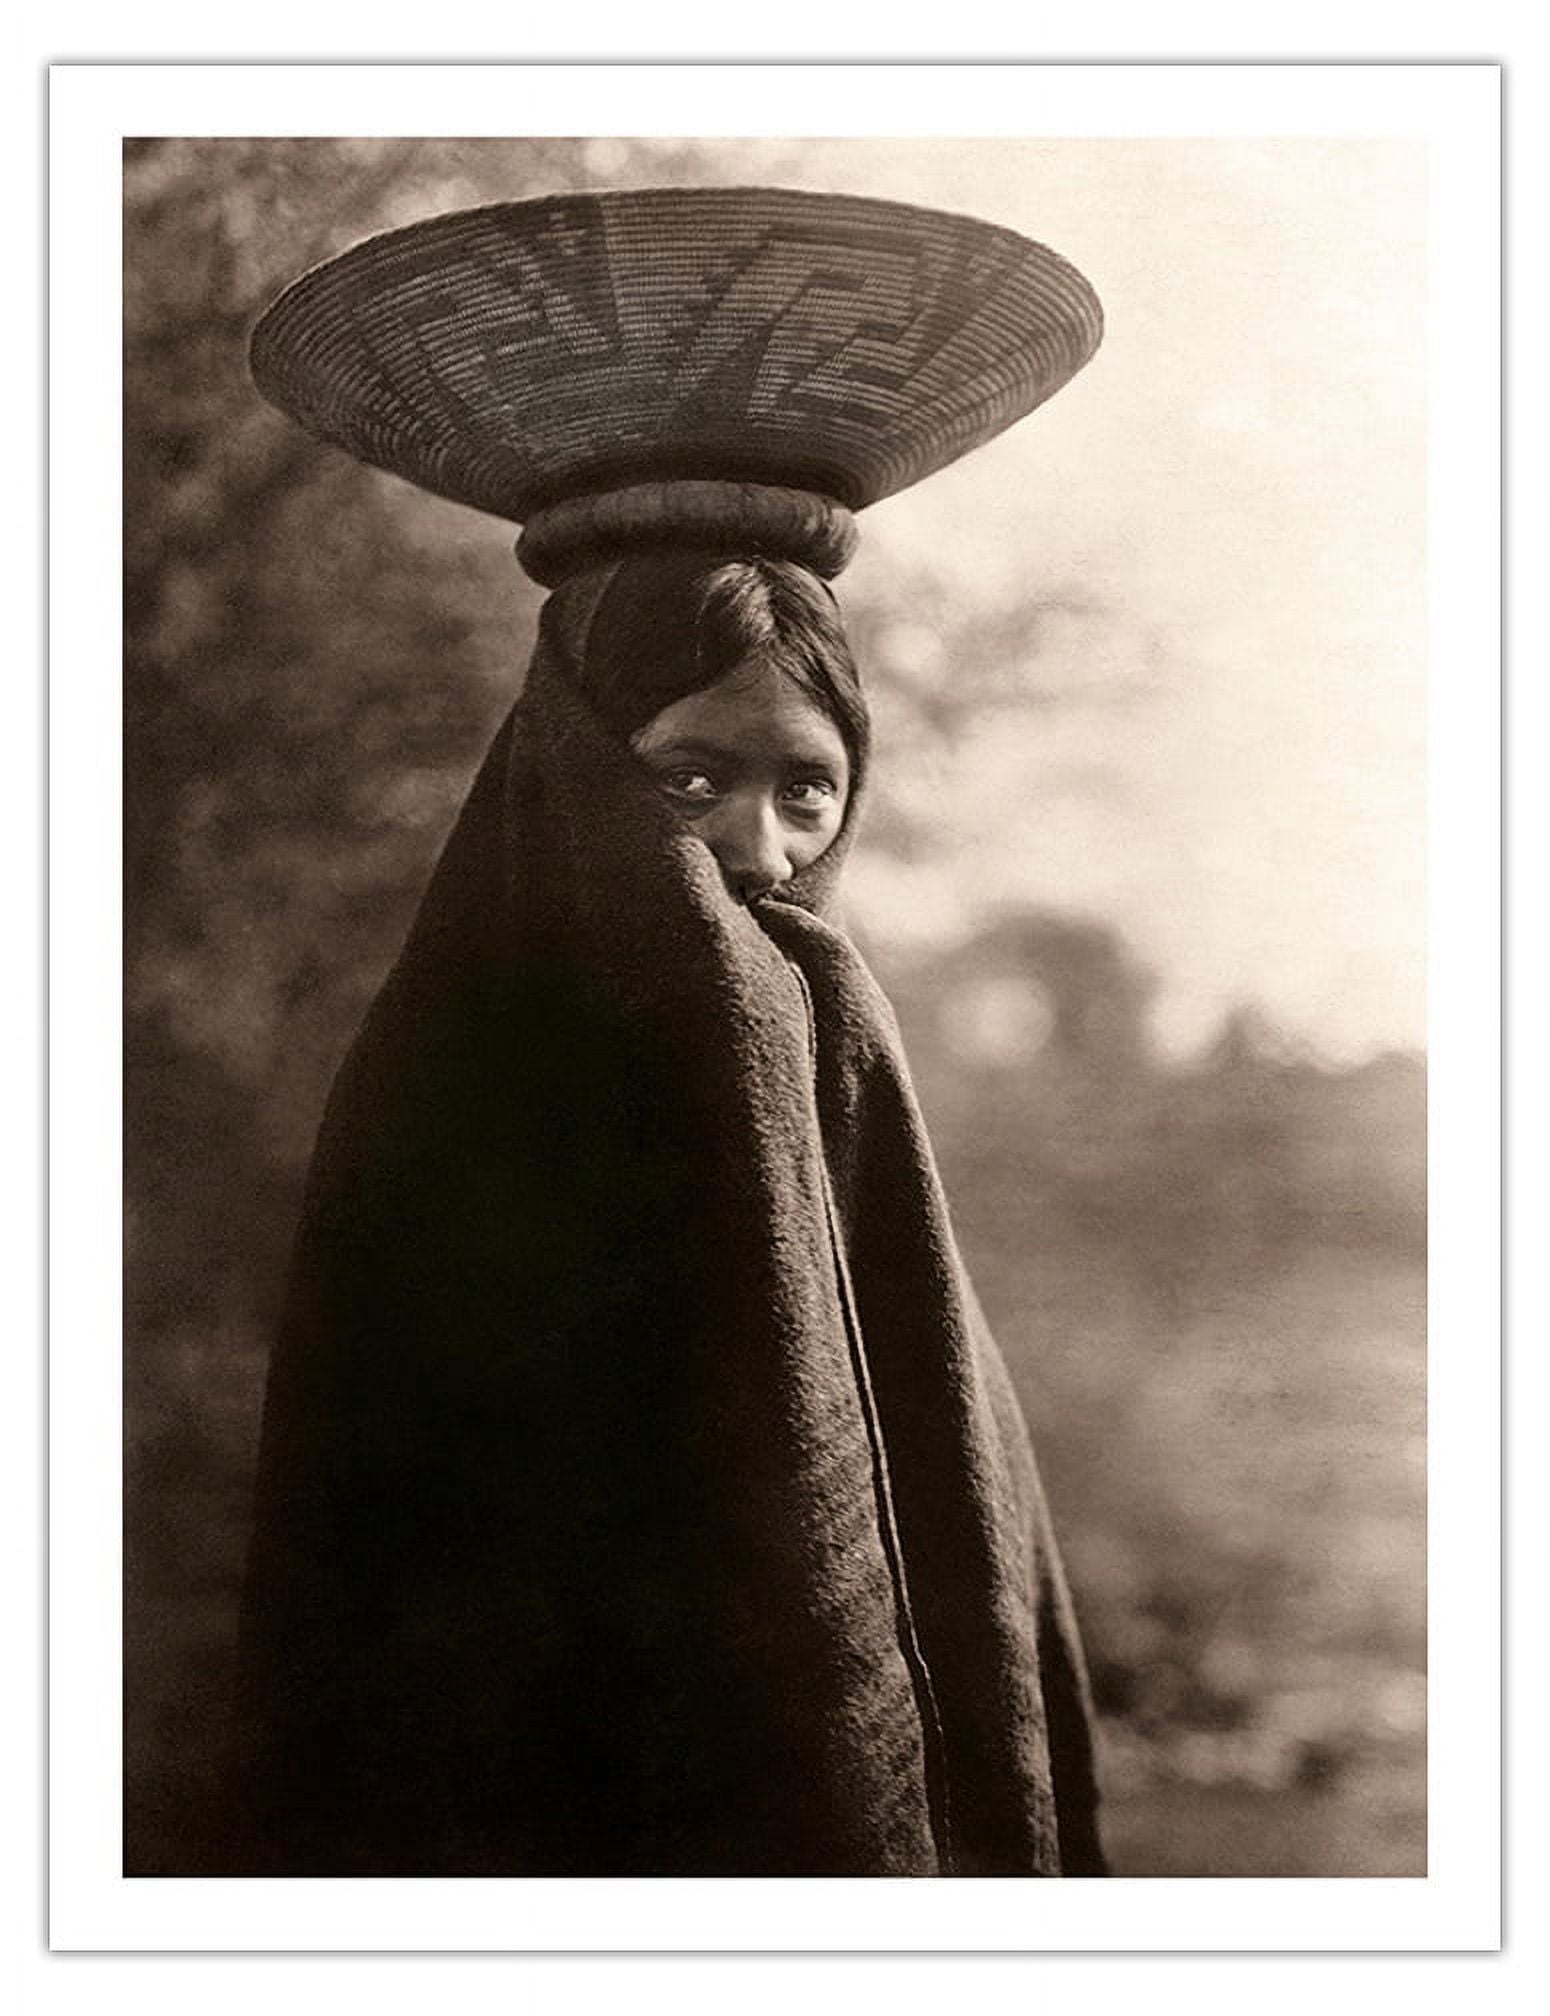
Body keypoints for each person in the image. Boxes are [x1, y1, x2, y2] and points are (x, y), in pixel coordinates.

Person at [230, 546, 1106, 1877]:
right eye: (689, 780)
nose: (758, 850)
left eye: (806, 789)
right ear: (575, 770)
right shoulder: (458, 1073)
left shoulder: (836, 1048)